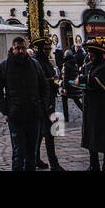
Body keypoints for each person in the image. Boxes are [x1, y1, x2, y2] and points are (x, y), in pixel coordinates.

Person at [0, 35, 48, 171]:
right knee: (18, 153)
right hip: (15, 116)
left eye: (23, 48)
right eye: (17, 48)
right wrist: (6, 109)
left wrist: (41, 106)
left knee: (31, 155)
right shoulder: (5, 66)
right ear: (13, 49)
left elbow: (44, 86)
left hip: (33, 115)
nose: (20, 51)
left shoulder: (34, 64)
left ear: (26, 48)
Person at [80, 42, 105, 171]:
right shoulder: (89, 66)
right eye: (89, 55)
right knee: (91, 134)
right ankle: (93, 164)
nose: (90, 57)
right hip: (89, 105)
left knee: (104, 136)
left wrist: (84, 80)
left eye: (92, 55)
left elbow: (100, 83)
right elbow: (86, 79)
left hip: (101, 107)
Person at [31, 36, 64, 171]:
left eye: (49, 49)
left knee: (45, 133)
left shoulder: (45, 61)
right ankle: (53, 163)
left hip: (50, 100)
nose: (48, 51)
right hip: (43, 103)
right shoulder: (37, 62)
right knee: (48, 133)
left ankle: (36, 159)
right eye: (45, 49)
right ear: (39, 49)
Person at [60, 46, 83, 122]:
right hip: (74, 85)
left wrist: (64, 87)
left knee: (64, 100)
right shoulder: (74, 63)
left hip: (69, 86)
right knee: (76, 99)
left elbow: (65, 77)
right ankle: (85, 111)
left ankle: (66, 118)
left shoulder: (66, 64)